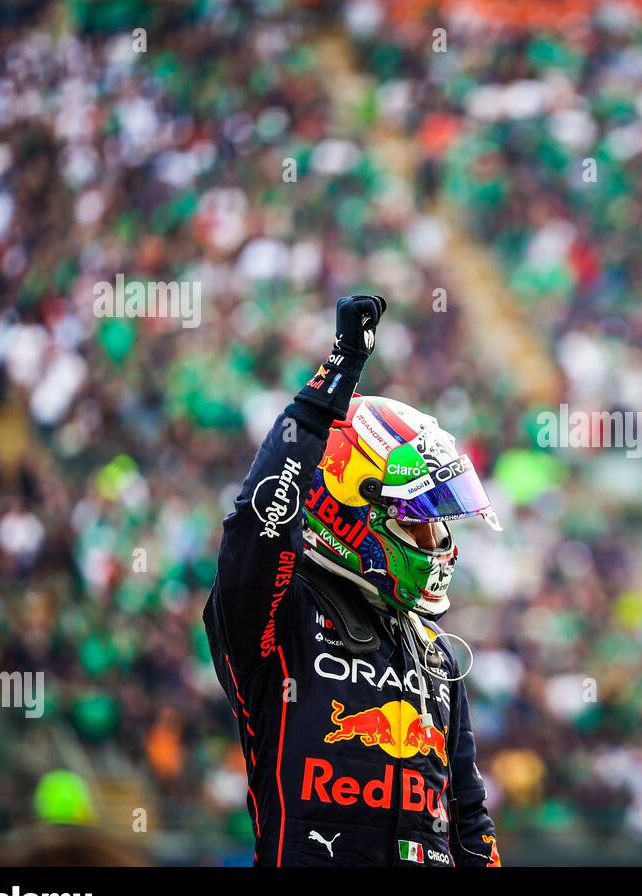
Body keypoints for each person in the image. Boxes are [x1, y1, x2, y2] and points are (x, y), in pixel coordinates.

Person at [203, 295, 502, 867]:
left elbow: (469, 818)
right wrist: (327, 389)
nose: (437, 542)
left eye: (439, 523)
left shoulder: (437, 655)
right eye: (418, 520)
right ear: (349, 511)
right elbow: (257, 523)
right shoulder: (282, 617)